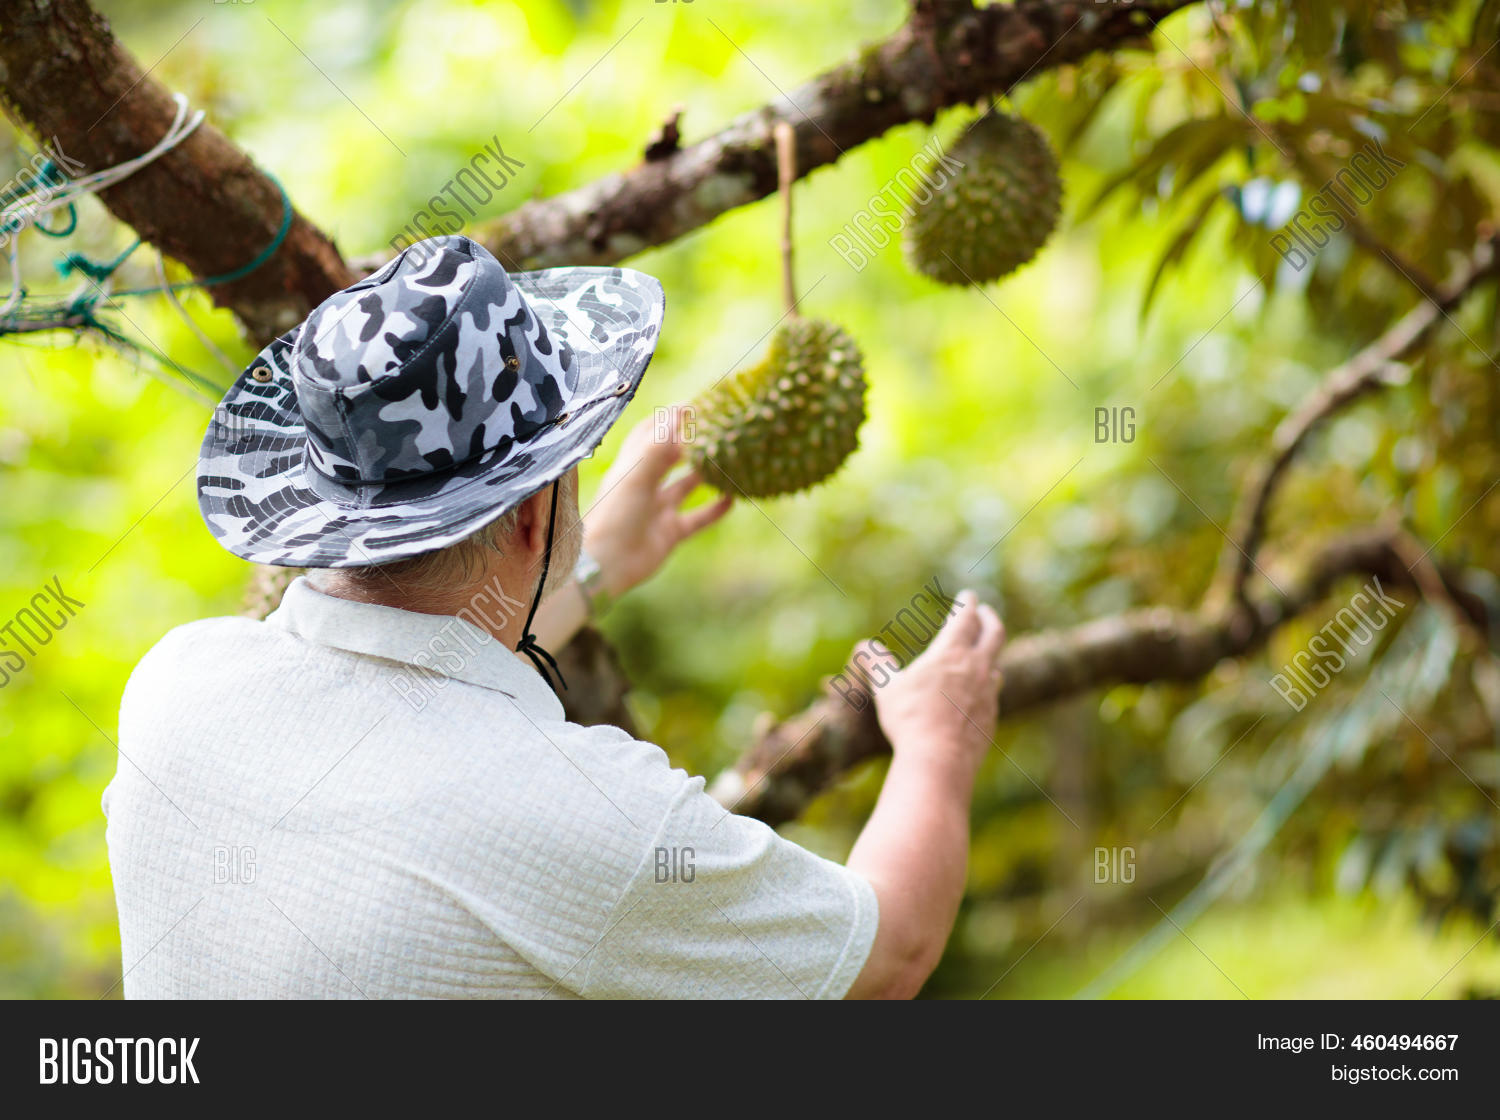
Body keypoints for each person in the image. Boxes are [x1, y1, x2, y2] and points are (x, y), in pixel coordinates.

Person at [105, 235, 1005, 999]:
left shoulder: (175, 688)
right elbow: (890, 956)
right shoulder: (588, 821)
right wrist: (937, 743)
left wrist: (591, 566)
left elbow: (396, 702)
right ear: (534, 515)